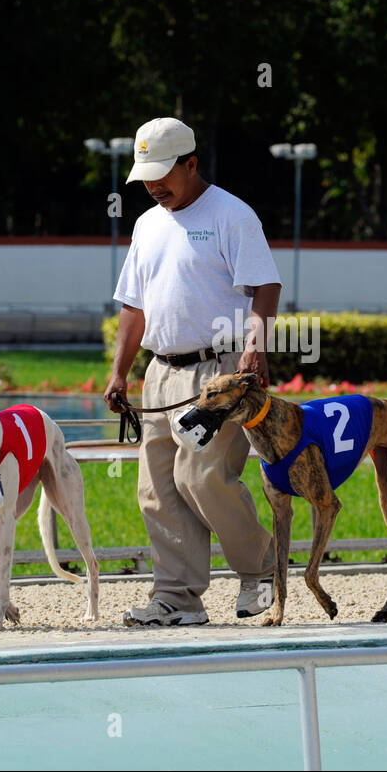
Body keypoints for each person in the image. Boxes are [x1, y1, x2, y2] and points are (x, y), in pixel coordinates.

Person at [104, 117, 280, 626]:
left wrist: (256, 347)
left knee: (202, 475)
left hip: (219, 375)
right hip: (160, 371)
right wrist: (121, 371)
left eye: (163, 175)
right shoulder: (146, 224)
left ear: (192, 164)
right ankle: (178, 598)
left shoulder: (231, 214)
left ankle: (261, 571)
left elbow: (264, 287)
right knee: (156, 488)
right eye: (147, 177)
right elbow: (133, 306)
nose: (155, 187)